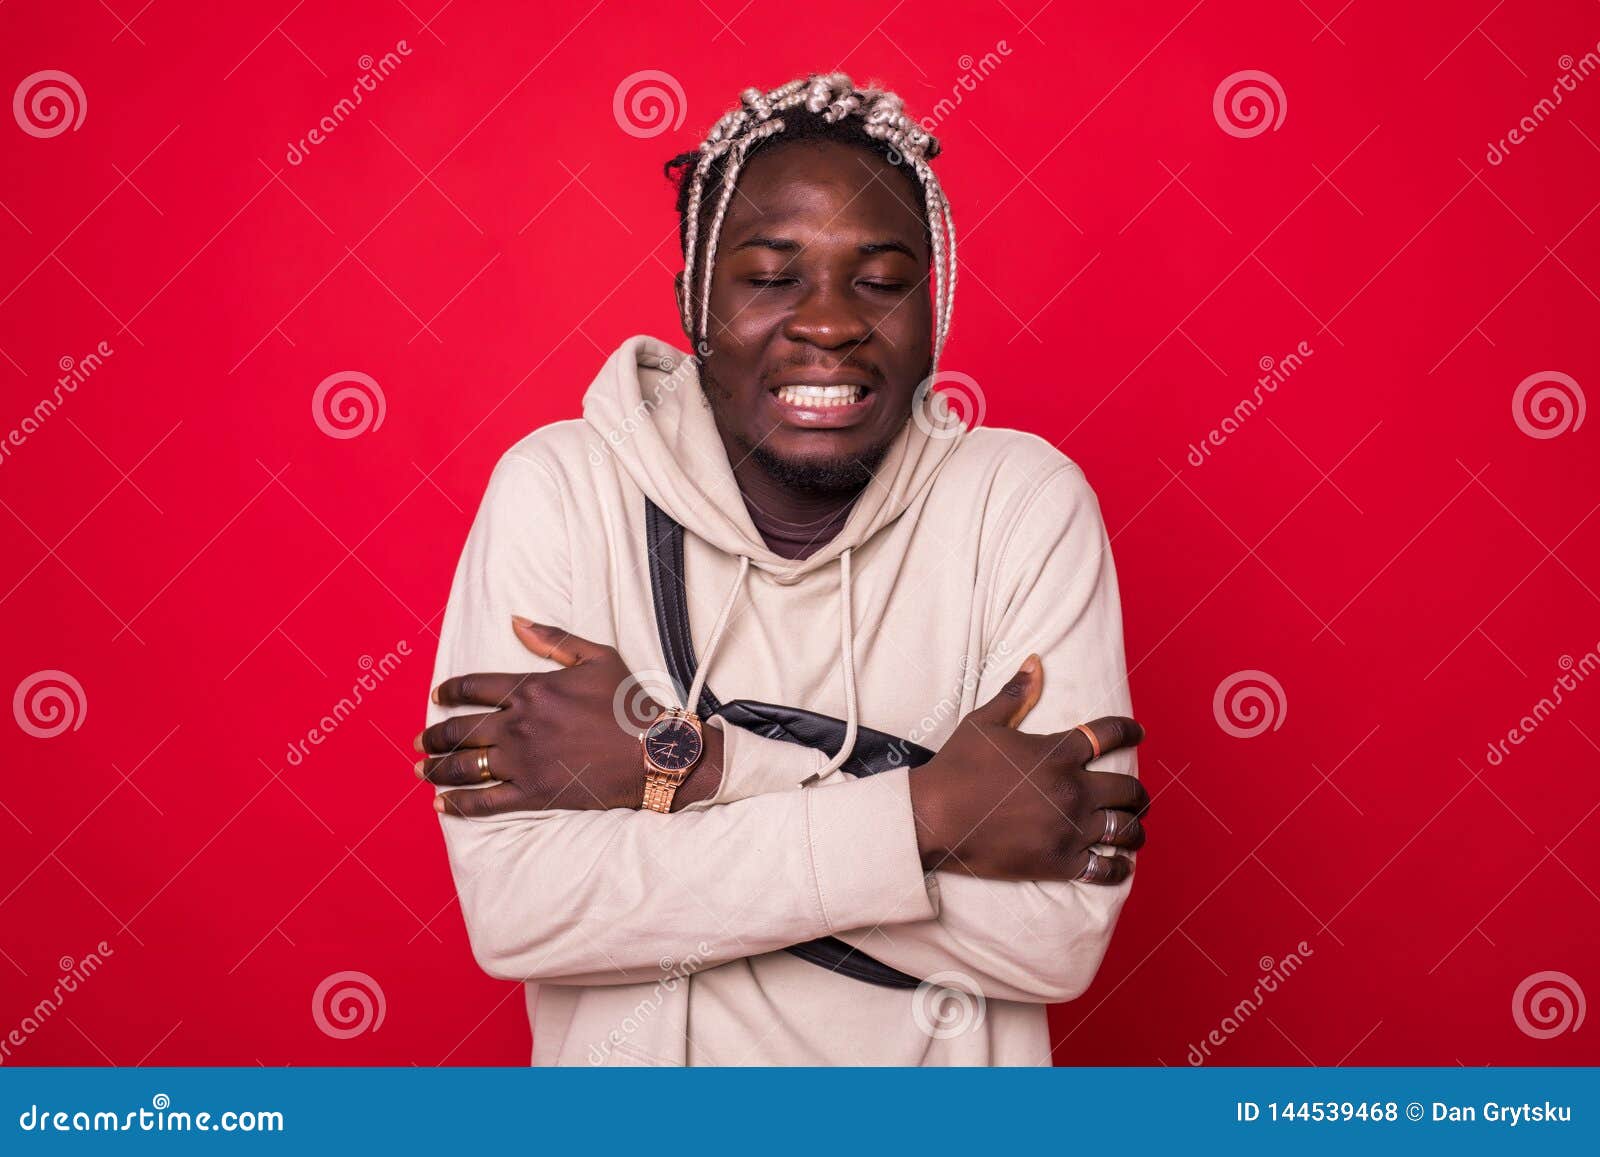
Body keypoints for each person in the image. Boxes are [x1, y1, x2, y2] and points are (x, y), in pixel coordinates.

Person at [415, 72, 1150, 1066]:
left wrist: (693, 764)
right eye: (771, 275)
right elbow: (521, 910)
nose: (830, 322)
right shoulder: (559, 489)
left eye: (882, 281)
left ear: (932, 300)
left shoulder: (1020, 505)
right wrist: (933, 814)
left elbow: (1055, 935)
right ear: (693, 295)